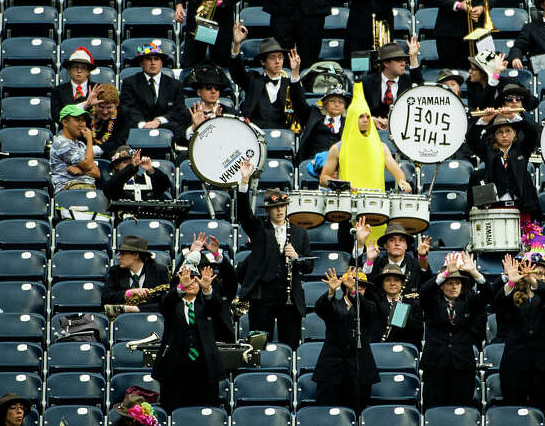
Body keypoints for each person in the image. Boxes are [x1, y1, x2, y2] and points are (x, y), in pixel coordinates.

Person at [236, 160, 313, 351]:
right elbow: (244, 214)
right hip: (263, 296)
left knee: (291, 343)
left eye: (282, 206)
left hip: (289, 296)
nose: (279, 210)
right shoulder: (259, 230)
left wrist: (296, 257)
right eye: (275, 207)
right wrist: (244, 183)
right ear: (268, 210)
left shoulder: (299, 233)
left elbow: (308, 267)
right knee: (259, 343)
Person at [420, 252, 491, 408]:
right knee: (434, 409)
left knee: (461, 408)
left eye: (457, 283)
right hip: (435, 364)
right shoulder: (432, 301)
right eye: (449, 282)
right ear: (442, 285)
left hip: (462, 366)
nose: (453, 286)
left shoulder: (469, 301)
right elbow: (424, 291)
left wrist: (474, 272)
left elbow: (488, 295)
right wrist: (445, 273)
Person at [152, 263, 225, 412]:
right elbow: (165, 304)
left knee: (205, 409)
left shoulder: (206, 304)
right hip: (175, 367)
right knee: (174, 409)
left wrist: (207, 289)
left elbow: (217, 306)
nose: (191, 282)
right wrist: (180, 288)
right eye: (188, 279)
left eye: (195, 279)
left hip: (205, 367)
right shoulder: (172, 305)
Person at [495, 255, 545, 415]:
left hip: (544, 365)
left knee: (542, 410)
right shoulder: (512, 294)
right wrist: (510, 281)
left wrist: (534, 282)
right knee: (514, 411)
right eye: (538, 273)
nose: (543, 277)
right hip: (515, 364)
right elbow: (497, 303)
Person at [319, 82, 413, 194]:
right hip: (348, 202)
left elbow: (397, 172)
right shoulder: (338, 148)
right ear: (352, 119)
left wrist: (402, 181)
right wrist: (338, 184)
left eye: (368, 117)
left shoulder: (381, 147)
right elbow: (323, 178)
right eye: (361, 117)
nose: (365, 120)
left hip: (376, 203)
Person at [313, 267, 379, 413]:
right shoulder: (333, 304)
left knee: (357, 413)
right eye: (355, 285)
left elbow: (368, 312)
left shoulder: (369, 306)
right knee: (327, 412)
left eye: (361, 287)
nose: (359, 289)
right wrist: (331, 291)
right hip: (331, 370)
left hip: (359, 370)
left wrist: (354, 292)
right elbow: (321, 308)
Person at [229, 29, 308, 130]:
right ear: (263, 62)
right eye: (272, 58)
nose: (277, 61)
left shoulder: (290, 83)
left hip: (283, 134)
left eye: (280, 57)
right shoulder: (254, 80)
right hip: (254, 133)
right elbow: (236, 72)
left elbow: (302, 107)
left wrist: (296, 72)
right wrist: (236, 44)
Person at [468, 111, 540, 219]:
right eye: (499, 132)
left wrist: (514, 117)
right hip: (494, 207)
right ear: (495, 136)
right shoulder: (488, 152)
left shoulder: (522, 150)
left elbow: (533, 133)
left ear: (515, 133)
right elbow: (472, 140)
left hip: (521, 207)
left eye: (508, 131)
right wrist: (484, 120)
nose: (504, 135)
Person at [163, 62, 236, 149]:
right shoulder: (187, 113)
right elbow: (178, 139)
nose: (213, 91)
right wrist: (193, 128)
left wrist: (219, 124)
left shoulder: (230, 113)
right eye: (208, 87)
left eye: (217, 88)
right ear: (199, 92)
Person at [354, 219, 431, 297]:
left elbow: (428, 284)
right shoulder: (376, 263)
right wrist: (360, 243)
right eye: (392, 240)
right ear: (385, 245)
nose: (397, 243)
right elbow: (362, 284)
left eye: (401, 240)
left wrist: (422, 257)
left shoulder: (415, 264)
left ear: (406, 246)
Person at [119, 44, 183, 130]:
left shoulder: (175, 84)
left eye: (156, 59)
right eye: (148, 59)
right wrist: (142, 124)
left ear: (161, 63)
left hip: (167, 127)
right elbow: (127, 107)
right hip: (138, 127)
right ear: (141, 63)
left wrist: (159, 120)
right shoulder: (130, 83)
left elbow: (178, 109)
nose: (153, 63)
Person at [102, 234, 171, 315]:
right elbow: (106, 297)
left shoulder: (159, 271)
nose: (118, 257)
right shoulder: (115, 271)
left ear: (136, 255)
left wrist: (136, 309)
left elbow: (165, 302)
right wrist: (130, 292)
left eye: (123, 253)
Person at [361, 40, 423, 126]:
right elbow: (358, 108)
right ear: (386, 63)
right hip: (374, 131)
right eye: (399, 60)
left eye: (404, 60)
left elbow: (421, 91)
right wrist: (370, 119)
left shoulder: (409, 81)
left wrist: (413, 57)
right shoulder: (367, 82)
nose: (403, 64)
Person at [366, 263, 423, 347]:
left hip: (406, 351)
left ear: (402, 284)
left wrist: (401, 312)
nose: (392, 283)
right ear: (382, 284)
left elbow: (418, 332)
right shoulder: (375, 302)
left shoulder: (413, 304)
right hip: (382, 350)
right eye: (388, 280)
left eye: (396, 280)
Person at [50, 104, 100, 193]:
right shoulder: (62, 143)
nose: (82, 124)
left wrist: (81, 171)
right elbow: (88, 166)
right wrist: (89, 139)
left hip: (87, 188)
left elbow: (97, 173)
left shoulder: (81, 144)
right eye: (77, 120)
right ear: (65, 122)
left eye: (83, 120)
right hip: (69, 189)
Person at [295, 86, 351, 165]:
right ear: (325, 104)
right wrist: (295, 78)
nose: (337, 104)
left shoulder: (349, 123)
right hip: (312, 163)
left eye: (341, 102)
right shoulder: (312, 114)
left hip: (339, 165)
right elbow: (298, 101)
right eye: (333, 101)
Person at [51, 46, 103, 123]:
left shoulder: (98, 88)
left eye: (83, 67)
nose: (79, 70)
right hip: (67, 133)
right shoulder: (58, 91)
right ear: (69, 70)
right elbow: (57, 116)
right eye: (75, 67)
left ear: (88, 71)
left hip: (93, 131)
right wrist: (85, 105)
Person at [104, 146, 171, 202]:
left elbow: (165, 185)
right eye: (125, 162)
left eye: (132, 162)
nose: (130, 164)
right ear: (116, 166)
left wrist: (151, 170)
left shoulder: (146, 180)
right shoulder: (113, 182)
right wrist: (131, 167)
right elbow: (110, 189)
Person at [89, 84, 127, 160]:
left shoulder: (124, 113)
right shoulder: (86, 111)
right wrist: (87, 105)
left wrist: (96, 149)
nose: (105, 112)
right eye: (101, 107)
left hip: (111, 154)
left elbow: (119, 141)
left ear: (116, 104)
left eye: (109, 107)